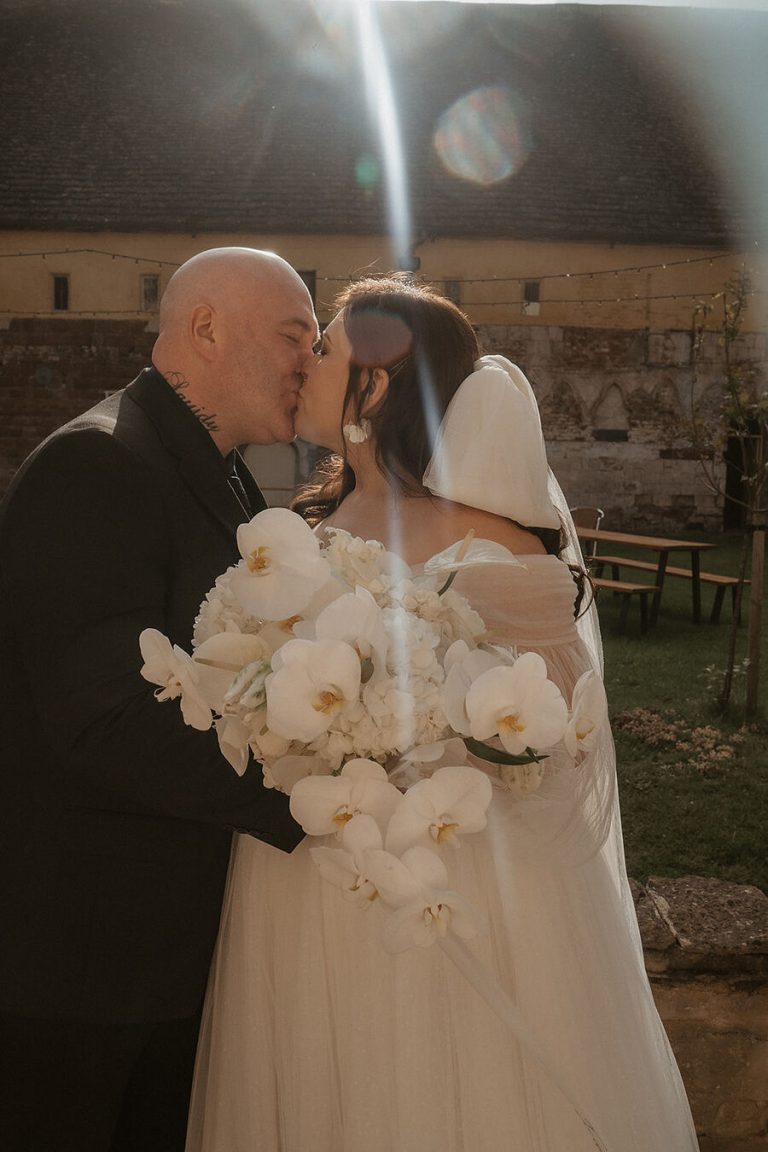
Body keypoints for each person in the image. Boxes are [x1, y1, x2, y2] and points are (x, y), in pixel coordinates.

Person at [186, 276, 700, 1152]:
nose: (306, 365)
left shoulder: (493, 537)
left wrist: (408, 719)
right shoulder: (305, 526)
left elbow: (554, 718)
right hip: (306, 881)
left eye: (327, 349)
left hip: (451, 885)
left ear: (375, 386)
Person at [0, 248, 318, 1151]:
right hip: (80, 967)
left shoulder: (219, 471)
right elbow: (103, 719)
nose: (310, 358)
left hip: (162, 955)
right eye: (295, 334)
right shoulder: (95, 467)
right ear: (205, 327)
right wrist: (313, 799)